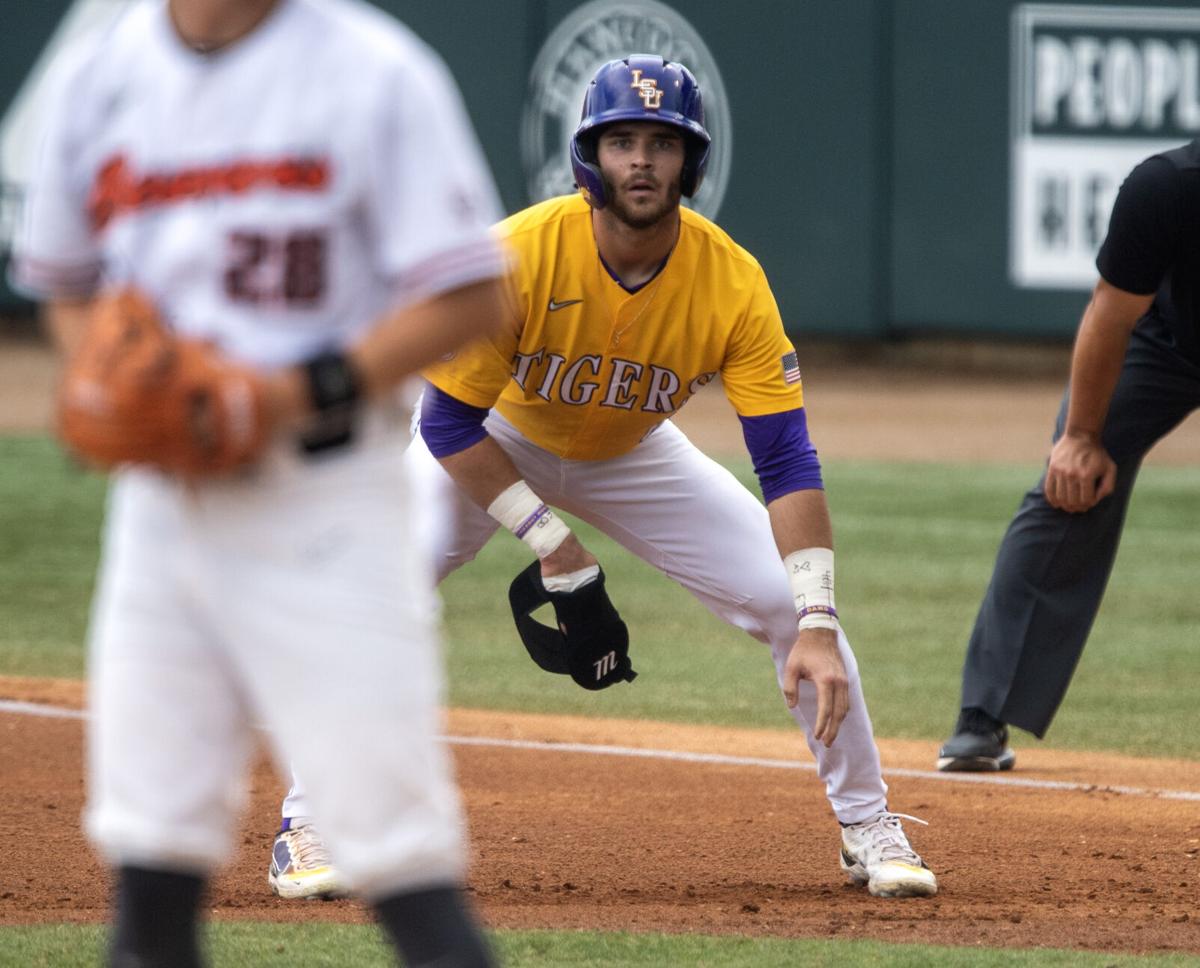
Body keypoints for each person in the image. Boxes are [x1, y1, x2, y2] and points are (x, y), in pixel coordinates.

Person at [280, 54, 939, 899]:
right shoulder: (518, 254)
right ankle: (309, 823)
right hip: (496, 435)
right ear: (589, 155)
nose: (641, 160)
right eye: (621, 139)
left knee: (792, 603)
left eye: (662, 143)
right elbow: (446, 422)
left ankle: (868, 825)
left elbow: (784, 457)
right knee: (371, 590)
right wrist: (550, 540)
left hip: (633, 451)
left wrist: (817, 615)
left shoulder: (732, 282)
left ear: (690, 163)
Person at [10, 0, 510, 965]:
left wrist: (287, 394)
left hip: (325, 513)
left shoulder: (373, 72)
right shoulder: (99, 76)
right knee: (150, 873)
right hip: (162, 516)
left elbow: (471, 294)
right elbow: (67, 285)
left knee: (405, 872)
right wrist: (109, 379)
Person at [937, 140, 1200, 772]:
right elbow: (1111, 312)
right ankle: (982, 715)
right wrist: (1082, 436)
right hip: (1166, 342)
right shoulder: (1168, 186)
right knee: (1070, 486)